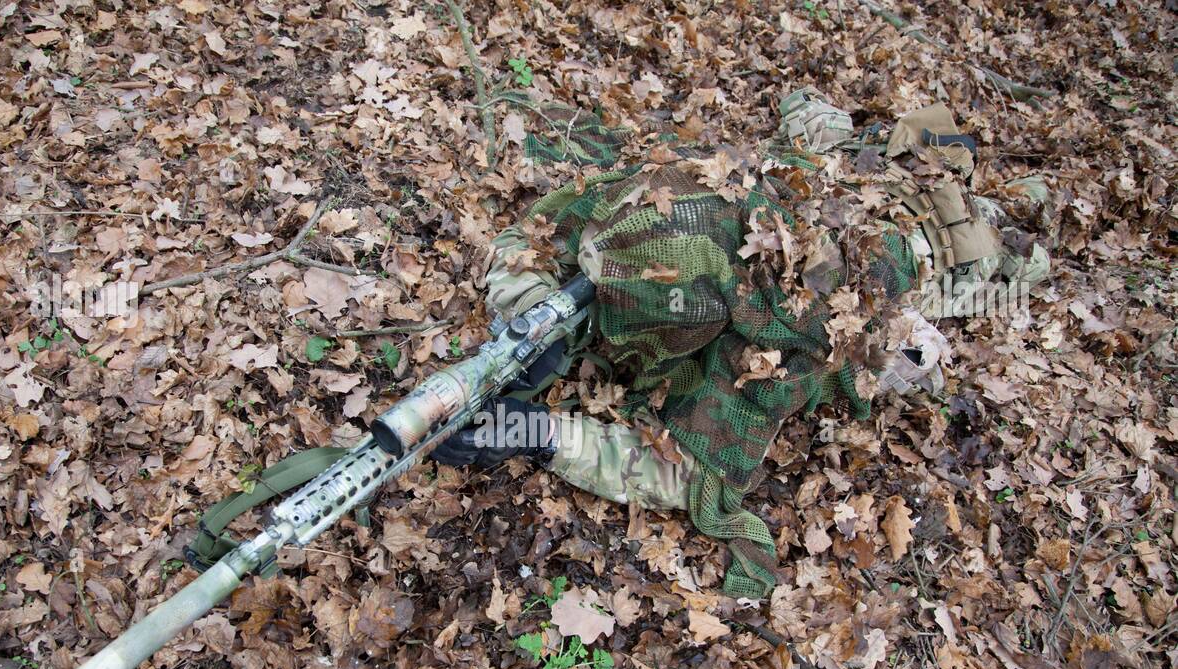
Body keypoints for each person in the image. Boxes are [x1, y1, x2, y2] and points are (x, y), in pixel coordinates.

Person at [433, 90, 1051, 599]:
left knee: (1007, 263)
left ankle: (1001, 212)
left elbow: (687, 470)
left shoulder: (779, 344)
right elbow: (532, 241)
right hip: (853, 178)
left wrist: (537, 436)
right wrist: (530, 310)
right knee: (822, 125)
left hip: (915, 266)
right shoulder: (660, 197)